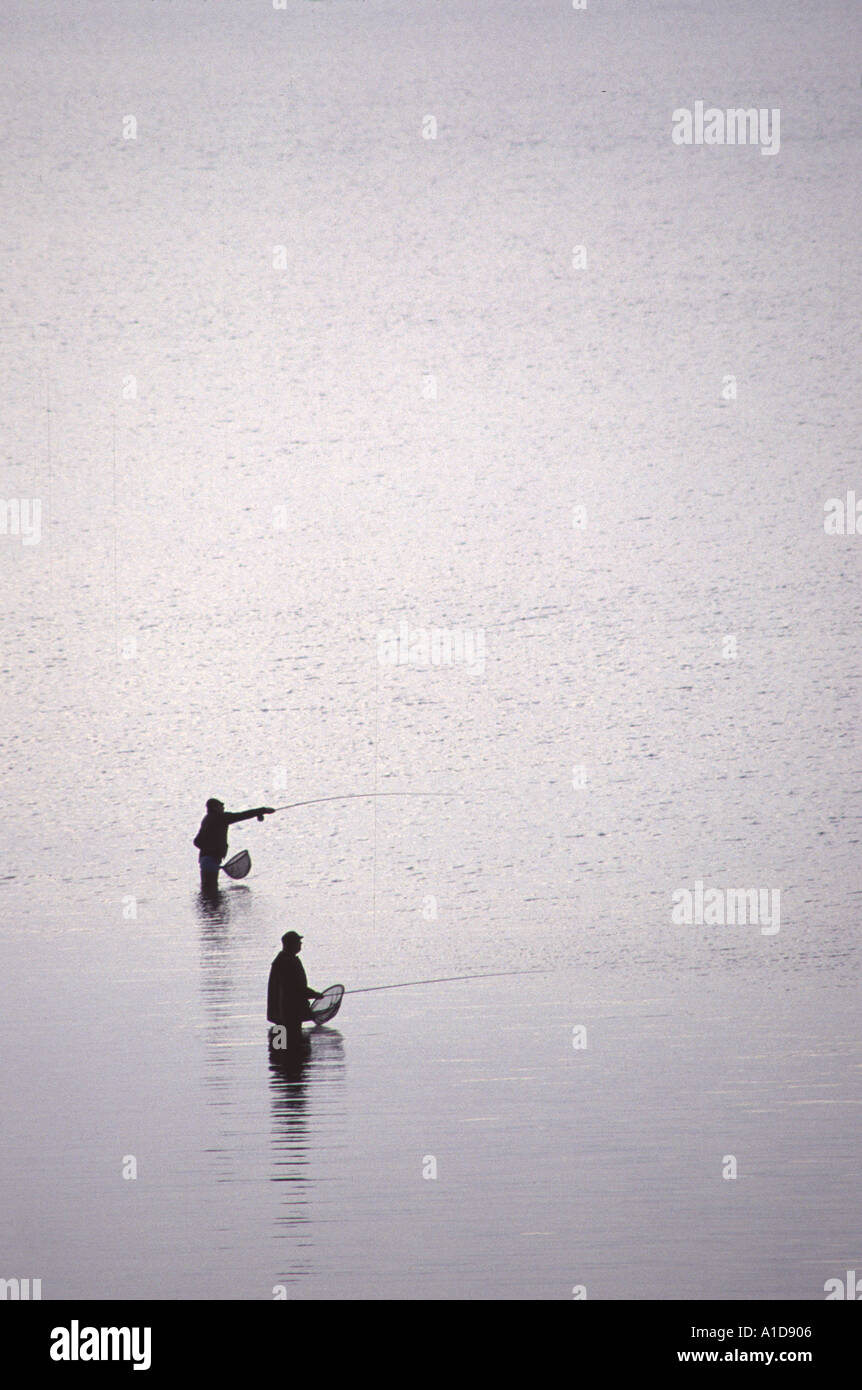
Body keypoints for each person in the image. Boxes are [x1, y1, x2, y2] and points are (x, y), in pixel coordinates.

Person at [194, 797, 274, 892]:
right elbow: (242, 815)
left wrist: (211, 851)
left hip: (206, 860)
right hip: (210, 860)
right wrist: (263, 810)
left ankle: (206, 906)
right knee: (211, 889)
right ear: (215, 808)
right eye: (221, 805)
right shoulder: (220, 818)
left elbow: (197, 841)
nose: (223, 807)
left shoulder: (207, 819)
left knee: (208, 889)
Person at [267, 931, 323, 1048]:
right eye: (298, 942)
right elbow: (296, 989)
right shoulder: (288, 962)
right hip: (288, 1016)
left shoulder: (281, 961)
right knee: (293, 1050)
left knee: (279, 1052)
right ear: (291, 945)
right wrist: (315, 994)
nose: (300, 944)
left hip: (280, 1016)